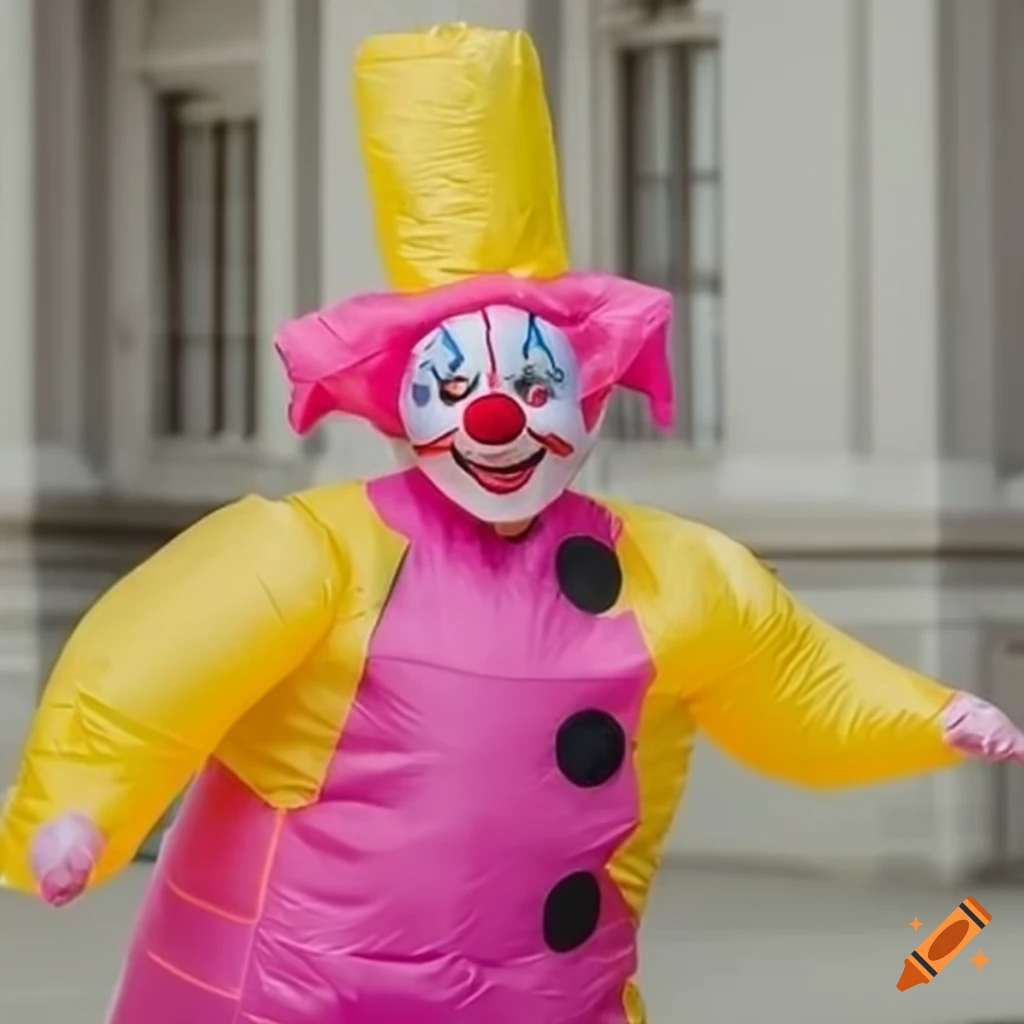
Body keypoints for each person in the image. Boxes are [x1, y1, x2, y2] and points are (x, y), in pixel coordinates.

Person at [1, 23, 1023, 1024]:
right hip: (287, 994)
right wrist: (78, 813)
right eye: (456, 387)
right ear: (401, 405)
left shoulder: (668, 572)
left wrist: (929, 714)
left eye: (534, 380)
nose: (498, 417)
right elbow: (143, 671)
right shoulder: (311, 551)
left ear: (586, 391)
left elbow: (792, 676)